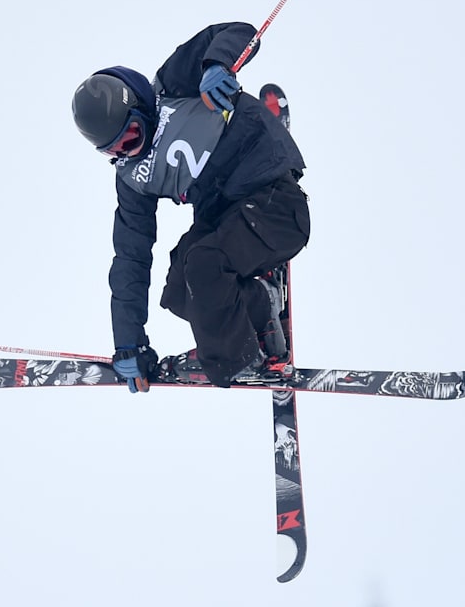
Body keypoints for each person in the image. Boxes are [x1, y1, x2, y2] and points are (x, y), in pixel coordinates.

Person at [71, 21, 310, 392]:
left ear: (141, 108)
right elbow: (131, 257)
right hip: (228, 218)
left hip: (275, 204)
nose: (128, 152)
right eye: (114, 151)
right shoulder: (132, 176)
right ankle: (260, 316)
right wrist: (129, 342)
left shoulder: (173, 86)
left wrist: (217, 64)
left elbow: (237, 32)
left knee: (204, 265)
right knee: (181, 285)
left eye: (131, 136)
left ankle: (234, 358)